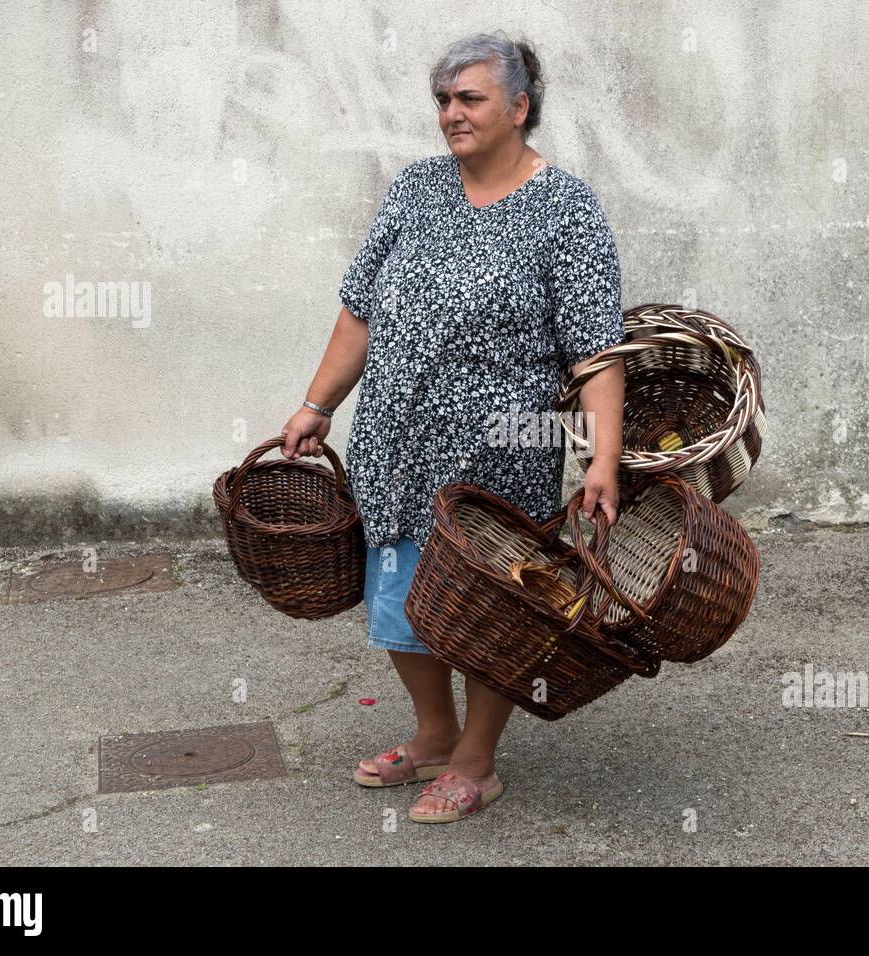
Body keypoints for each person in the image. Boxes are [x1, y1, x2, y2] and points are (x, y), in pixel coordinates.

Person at [280, 30, 626, 823]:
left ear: (519, 107)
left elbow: (596, 351)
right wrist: (316, 405)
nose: (450, 114)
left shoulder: (564, 210)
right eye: (443, 100)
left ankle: (478, 759)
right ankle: (435, 734)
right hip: (395, 451)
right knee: (400, 605)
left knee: (493, 613)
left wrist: (602, 457)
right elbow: (359, 311)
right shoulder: (415, 189)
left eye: (468, 98)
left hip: (498, 462)